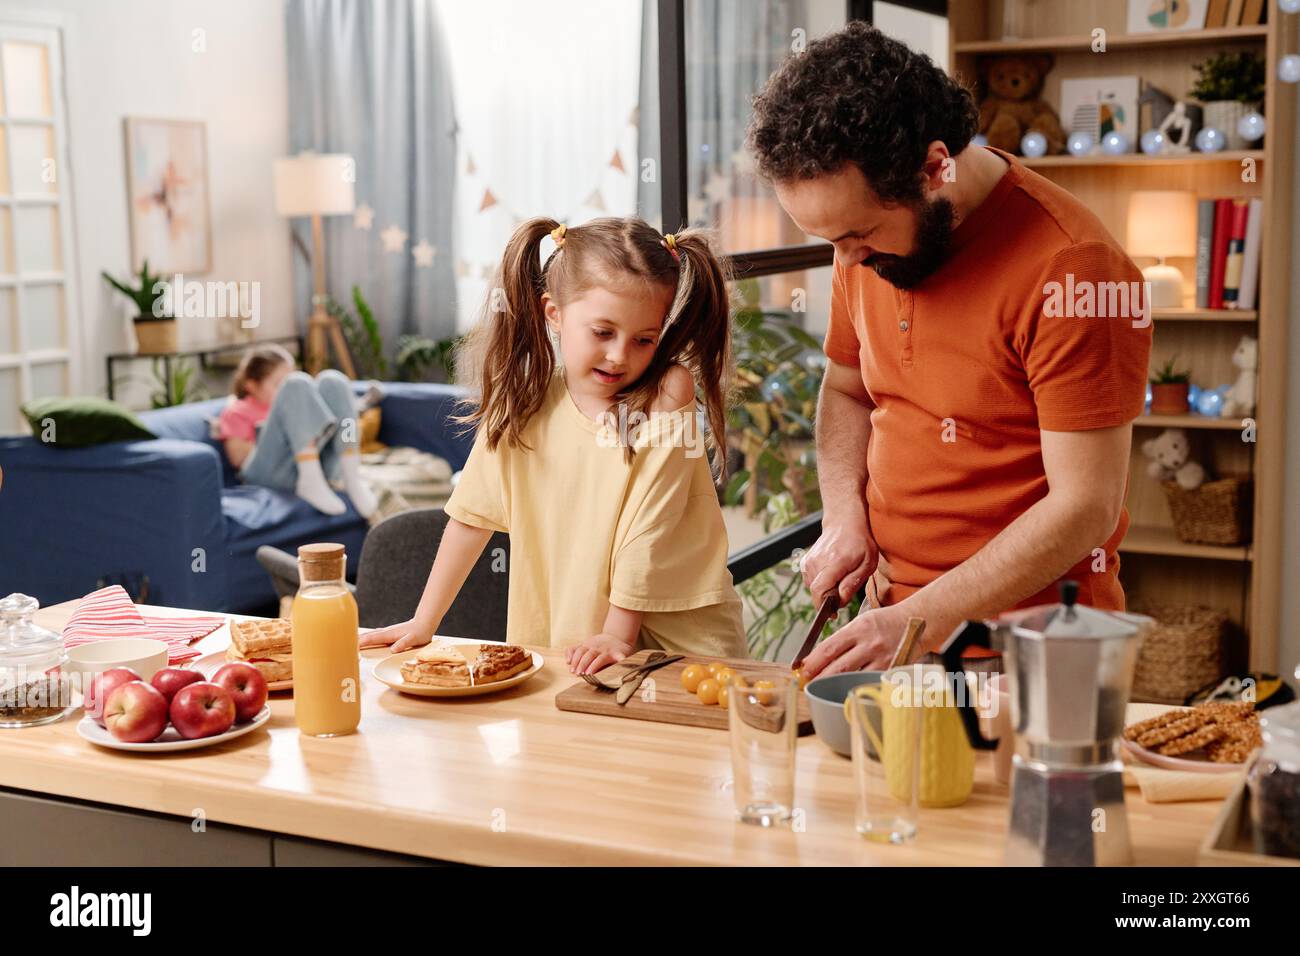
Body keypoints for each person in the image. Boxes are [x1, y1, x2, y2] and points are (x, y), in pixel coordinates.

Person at [745, 23, 1152, 675]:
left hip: (1028, 653)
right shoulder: (862, 248)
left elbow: (1086, 507)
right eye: (828, 240)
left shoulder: (1076, 270)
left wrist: (915, 622)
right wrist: (844, 515)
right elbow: (846, 389)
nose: (844, 259)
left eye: (858, 234)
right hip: (893, 630)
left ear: (936, 168)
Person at [360, 217, 746, 673]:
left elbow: (651, 531)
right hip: (577, 643)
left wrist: (616, 633)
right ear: (554, 314)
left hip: (676, 642)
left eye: (644, 339)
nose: (620, 355)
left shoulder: (667, 394)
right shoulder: (523, 402)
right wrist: (424, 622)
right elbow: (470, 518)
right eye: (602, 332)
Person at [218, 344, 378, 518]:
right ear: (252, 385)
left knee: (334, 380)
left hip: (316, 464)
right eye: (279, 384)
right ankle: (310, 478)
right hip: (269, 472)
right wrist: (285, 431)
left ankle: (351, 474)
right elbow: (238, 458)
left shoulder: (302, 404)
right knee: (296, 383)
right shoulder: (238, 410)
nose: (283, 389)